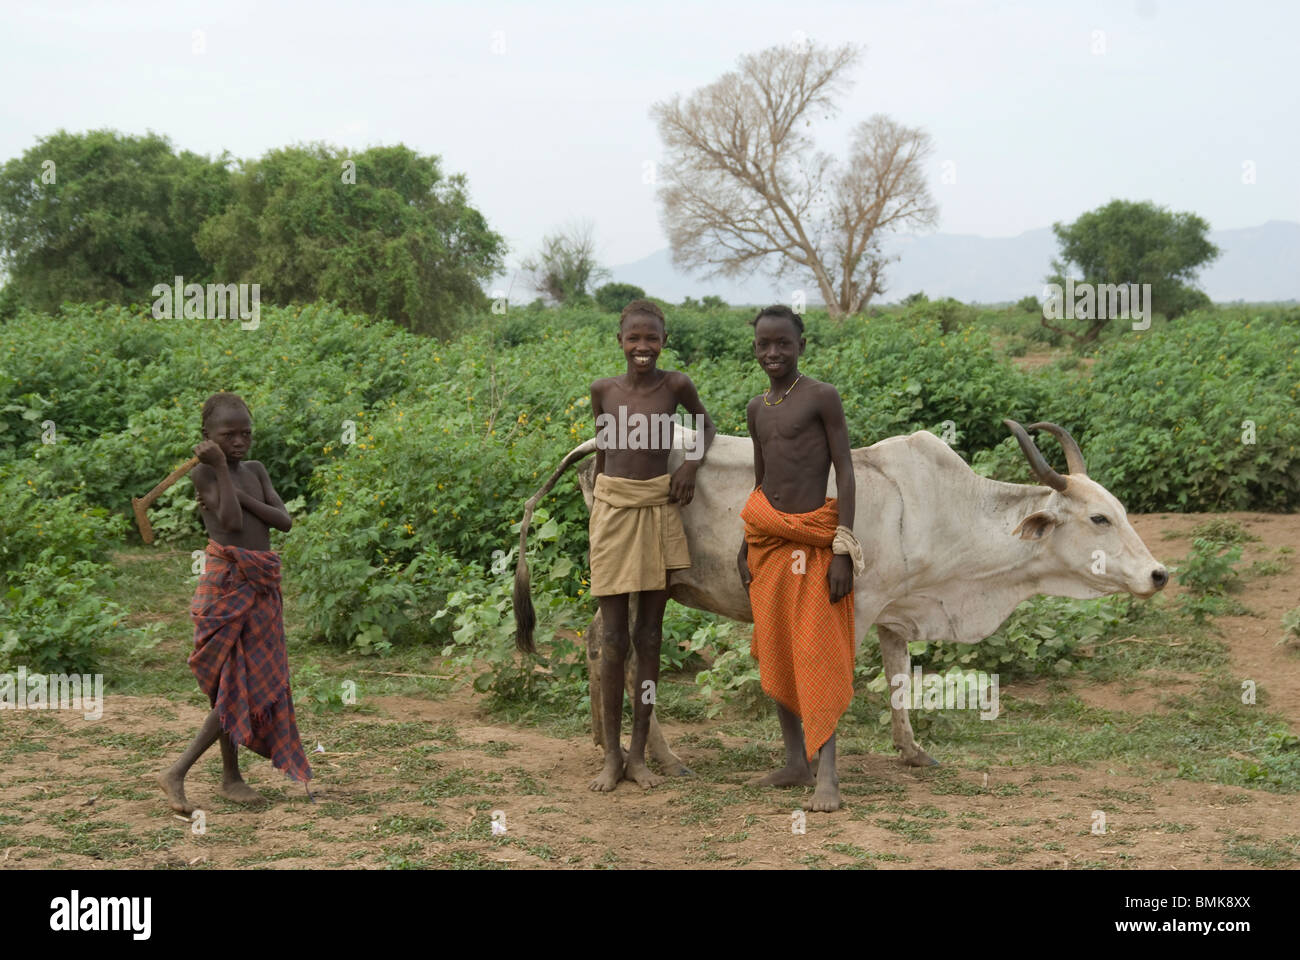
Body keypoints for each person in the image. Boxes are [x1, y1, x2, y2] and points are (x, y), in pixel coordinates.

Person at [737, 305, 865, 812]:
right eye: (764, 344)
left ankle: (828, 772)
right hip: (769, 542)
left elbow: (846, 471)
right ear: (755, 348)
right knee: (778, 649)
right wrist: (746, 540)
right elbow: (760, 479)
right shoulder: (756, 408)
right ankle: (795, 761)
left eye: (783, 344)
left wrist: (843, 548)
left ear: (801, 346)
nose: (773, 353)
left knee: (816, 654)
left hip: (815, 542)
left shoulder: (821, 397)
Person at [157, 392, 311, 814]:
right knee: (231, 686)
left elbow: (284, 521)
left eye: (246, 433)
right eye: (229, 435)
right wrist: (222, 471)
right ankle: (179, 772)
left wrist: (240, 493)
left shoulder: (256, 471)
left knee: (239, 683)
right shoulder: (204, 475)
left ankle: (231, 777)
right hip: (226, 584)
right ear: (207, 437)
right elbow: (231, 524)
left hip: (260, 584)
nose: (240, 441)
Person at [587, 299, 715, 791]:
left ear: (664, 341)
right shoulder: (603, 391)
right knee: (615, 639)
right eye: (634, 338)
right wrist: (601, 514)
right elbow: (603, 452)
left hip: (659, 509)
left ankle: (639, 754)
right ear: (620, 341)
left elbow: (705, 423)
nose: (643, 347)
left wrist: (689, 465)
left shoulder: (675, 385)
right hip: (615, 512)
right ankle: (611, 756)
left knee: (650, 637)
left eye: (652, 338)